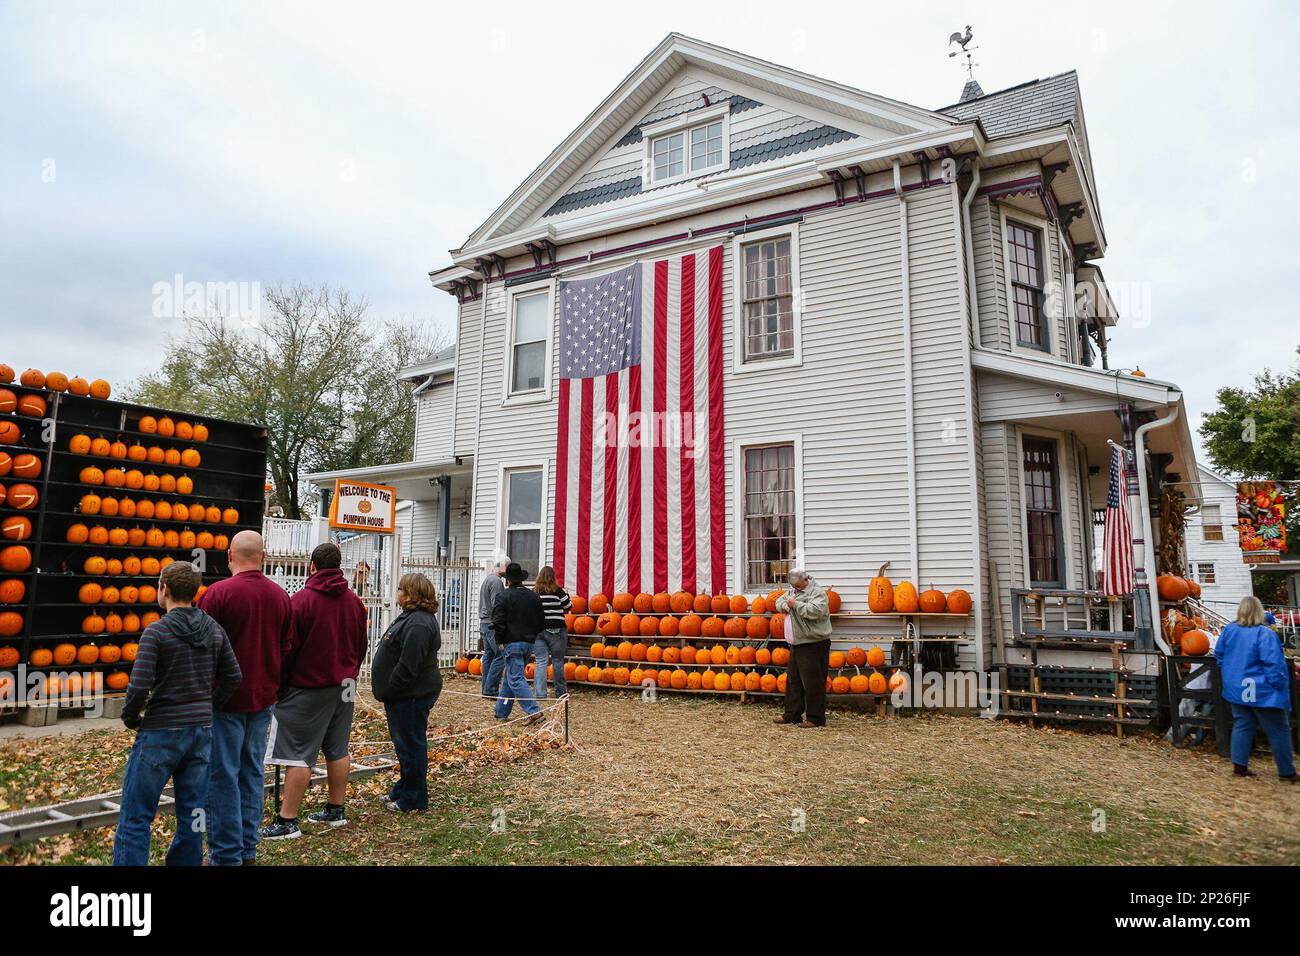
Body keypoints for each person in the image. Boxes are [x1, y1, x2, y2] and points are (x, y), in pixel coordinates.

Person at [114, 562, 242, 866]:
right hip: (200, 732)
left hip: (160, 732)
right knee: (192, 813)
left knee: (136, 814)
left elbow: (140, 684)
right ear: (195, 592)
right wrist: (209, 705)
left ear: (165, 589)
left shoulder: (157, 632)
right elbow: (234, 676)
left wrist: (132, 718)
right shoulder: (214, 629)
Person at [262, 543, 369, 840]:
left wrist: (281, 686)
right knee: (337, 748)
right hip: (345, 684)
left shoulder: (300, 602)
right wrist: (351, 670)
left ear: (312, 567)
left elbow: (288, 649)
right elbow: (362, 645)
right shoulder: (355, 603)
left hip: (308, 685)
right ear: (339, 567)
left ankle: (288, 820)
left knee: (297, 753)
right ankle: (336, 809)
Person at [199, 529, 292, 866]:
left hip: (224, 701)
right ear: (263, 557)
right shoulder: (280, 597)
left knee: (222, 774)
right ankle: (247, 849)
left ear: (229, 556)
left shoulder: (217, 594)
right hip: (263, 697)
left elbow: (203, 648)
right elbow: (286, 647)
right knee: (252, 772)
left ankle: (225, 854)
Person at [371, 573, 443, 812]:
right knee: (405, 745)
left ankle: (413, 798)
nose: (397, 593)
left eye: (401, 589)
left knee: (411, 745)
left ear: (412, 594)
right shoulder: (411, 618)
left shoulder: (420, 623)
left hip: (410, 694)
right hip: (403, 694)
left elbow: (408, 665)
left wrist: (391, 689)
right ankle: (404, 788)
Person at [1215, 595, 1297, 781]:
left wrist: (1230, 673)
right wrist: (1278, 685)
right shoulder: (1265, 634)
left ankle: (1240, 766)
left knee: (1243, 725)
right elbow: (1273, 663)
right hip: (1263, 690)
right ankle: (1286, 771)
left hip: (1237, 688)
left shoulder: (1229, 630)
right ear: (1260, 612)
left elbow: (1219, 655)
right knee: (1278, 729)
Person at [772, 568, 833, 728]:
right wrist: (786, 606)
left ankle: (815, 718)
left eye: (798, 587)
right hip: (797, 643)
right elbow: (778, 602)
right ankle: (792, 714)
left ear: (805, 580)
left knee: (813, 682)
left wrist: (795, 604)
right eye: (794, 587)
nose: (795, 590)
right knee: (793, 681)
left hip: (813, 643)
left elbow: (816, 611)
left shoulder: (817, 593)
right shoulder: (793, 591)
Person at [491, 562, 543, 721]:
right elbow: (541, 621)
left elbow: (498, 621)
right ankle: (501, 711)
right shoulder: (534, 596)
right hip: (528, 643)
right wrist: (532, 635)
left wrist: (500, 639)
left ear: (508, 580)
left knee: (515, 678)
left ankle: (534, 712)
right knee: (511, 677)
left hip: (511, 643)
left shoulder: (503, 596)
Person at [533, 566, 572, 700]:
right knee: (557, 661)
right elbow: (568, 606)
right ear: (553, 576)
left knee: (540, 661)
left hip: (539, 630)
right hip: (557, 629)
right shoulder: (558, 591)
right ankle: (560, 693)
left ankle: (540, 694)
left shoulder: (535, 592)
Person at [478, 558, 509, 699]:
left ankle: (485, 688)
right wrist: (501, 624)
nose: (508, 569)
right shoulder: (496, 582)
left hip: (484, 623)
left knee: (489, 656)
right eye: (507, 566)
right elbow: (497, 606)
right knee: (501, 655)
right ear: (500, 566)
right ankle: (490, 689)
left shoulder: (487, 580)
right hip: (492, 624)